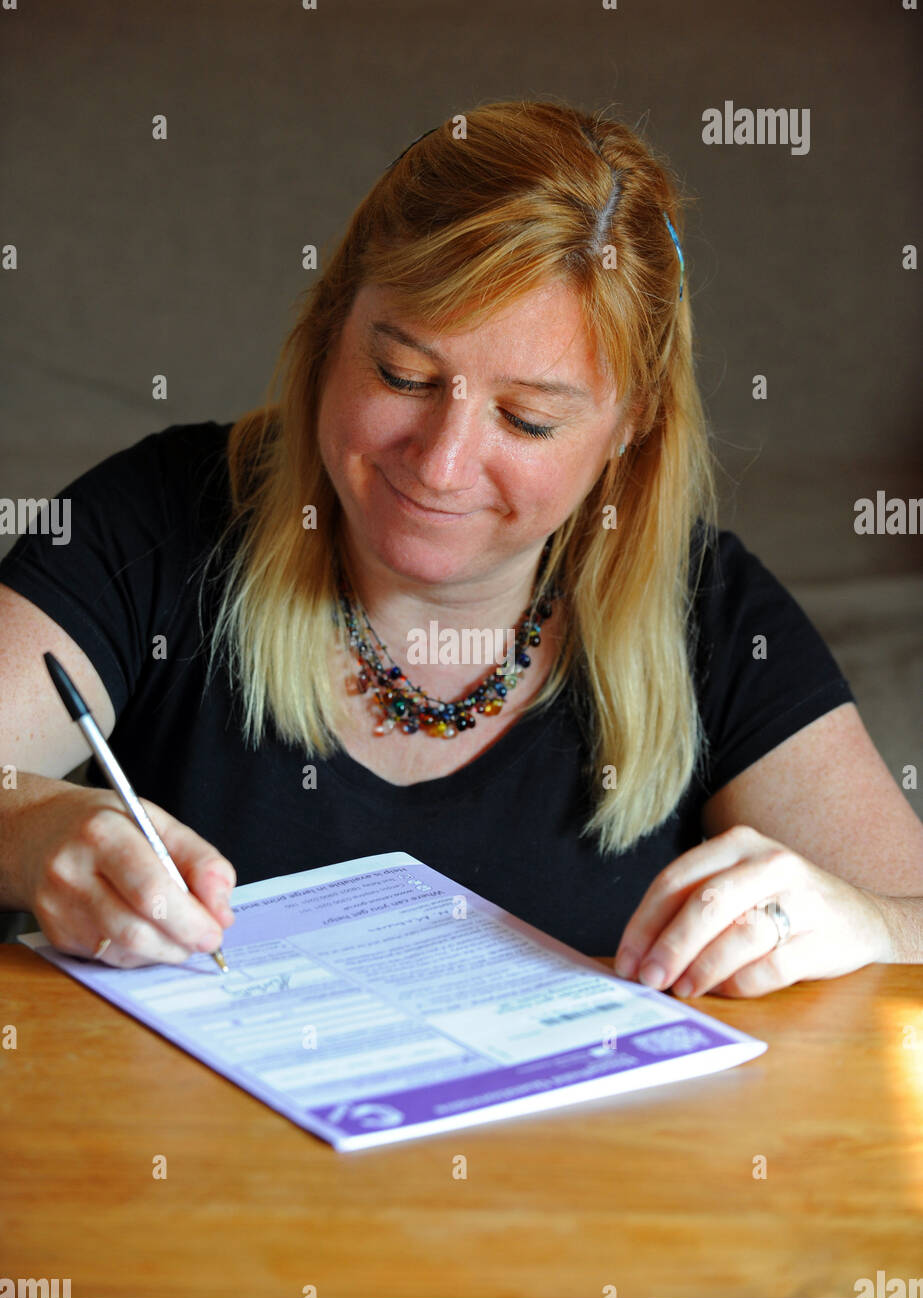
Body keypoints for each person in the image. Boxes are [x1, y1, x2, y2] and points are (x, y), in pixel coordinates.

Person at [0, 99, 920, 996]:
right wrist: (30, 825)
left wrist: (864, 924)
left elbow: (909, 912)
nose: (440, 467)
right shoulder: (161, 514)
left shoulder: (709, 609)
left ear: (630, 426)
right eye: (403, 375)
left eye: (526, 420)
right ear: (329, 332)